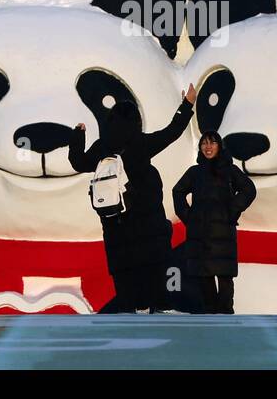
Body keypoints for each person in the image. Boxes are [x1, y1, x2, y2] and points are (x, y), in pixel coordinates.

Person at [70, 84, 196, 313]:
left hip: (116, 223)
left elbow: (77, 162)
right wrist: (187, 105)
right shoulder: (142, 144)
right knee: (156, 265)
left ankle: (135, 307)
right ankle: (161, 305)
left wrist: (78, 135)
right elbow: (172, 131)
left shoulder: (102, 149)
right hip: (148, 224)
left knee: (125, 268)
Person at [172, 131, 256, 314]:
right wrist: (188, 216)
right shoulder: (195, 172)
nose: (208, 147)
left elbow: (249, 189)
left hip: (223, 232)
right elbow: (177, 191)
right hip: (199, 232)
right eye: (204, 143)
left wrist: (233, 210)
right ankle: (210, 316)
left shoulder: (230, 170)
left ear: (220, 146)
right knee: (204, 276)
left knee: (225, 277)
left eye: (212, 143)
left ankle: (226, 314)